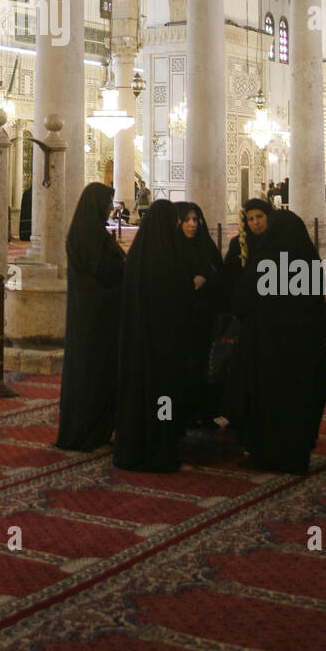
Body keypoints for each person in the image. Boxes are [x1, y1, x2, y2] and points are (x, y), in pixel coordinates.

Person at [221, 199, 326, 476]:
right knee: (297, 403)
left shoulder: (265, 261)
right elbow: (319, 308)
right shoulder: (307, 261)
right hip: (302, 352)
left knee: (270, 404)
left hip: (267, 352)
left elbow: (242, 302)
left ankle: (268, 455)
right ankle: (295, 457)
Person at [113, 200, 196, 473]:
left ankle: (136, 449)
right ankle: (162, 452)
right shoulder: (169, 260)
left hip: (138, 349)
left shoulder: (137, 258)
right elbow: (181, 297)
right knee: (165, 401)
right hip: (163, 352)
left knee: (140, 400)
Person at [55, 183, 126, 451]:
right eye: (108, 202)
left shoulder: (87, 231)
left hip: (91, 316)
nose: (110, 207)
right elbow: (104, 273)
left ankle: (91, 432)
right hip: (96, 318)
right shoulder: (90, 237)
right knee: (92, 377)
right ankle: (87, 434)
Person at [174, 201, 226, 425]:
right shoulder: (172, 248)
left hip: (204, 317)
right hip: (180, 319)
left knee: (202, 364)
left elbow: (221, 274)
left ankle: (204, 411)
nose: (192, 224)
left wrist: (206, 278)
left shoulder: (205, 245)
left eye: (195, 220)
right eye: (187, 220)